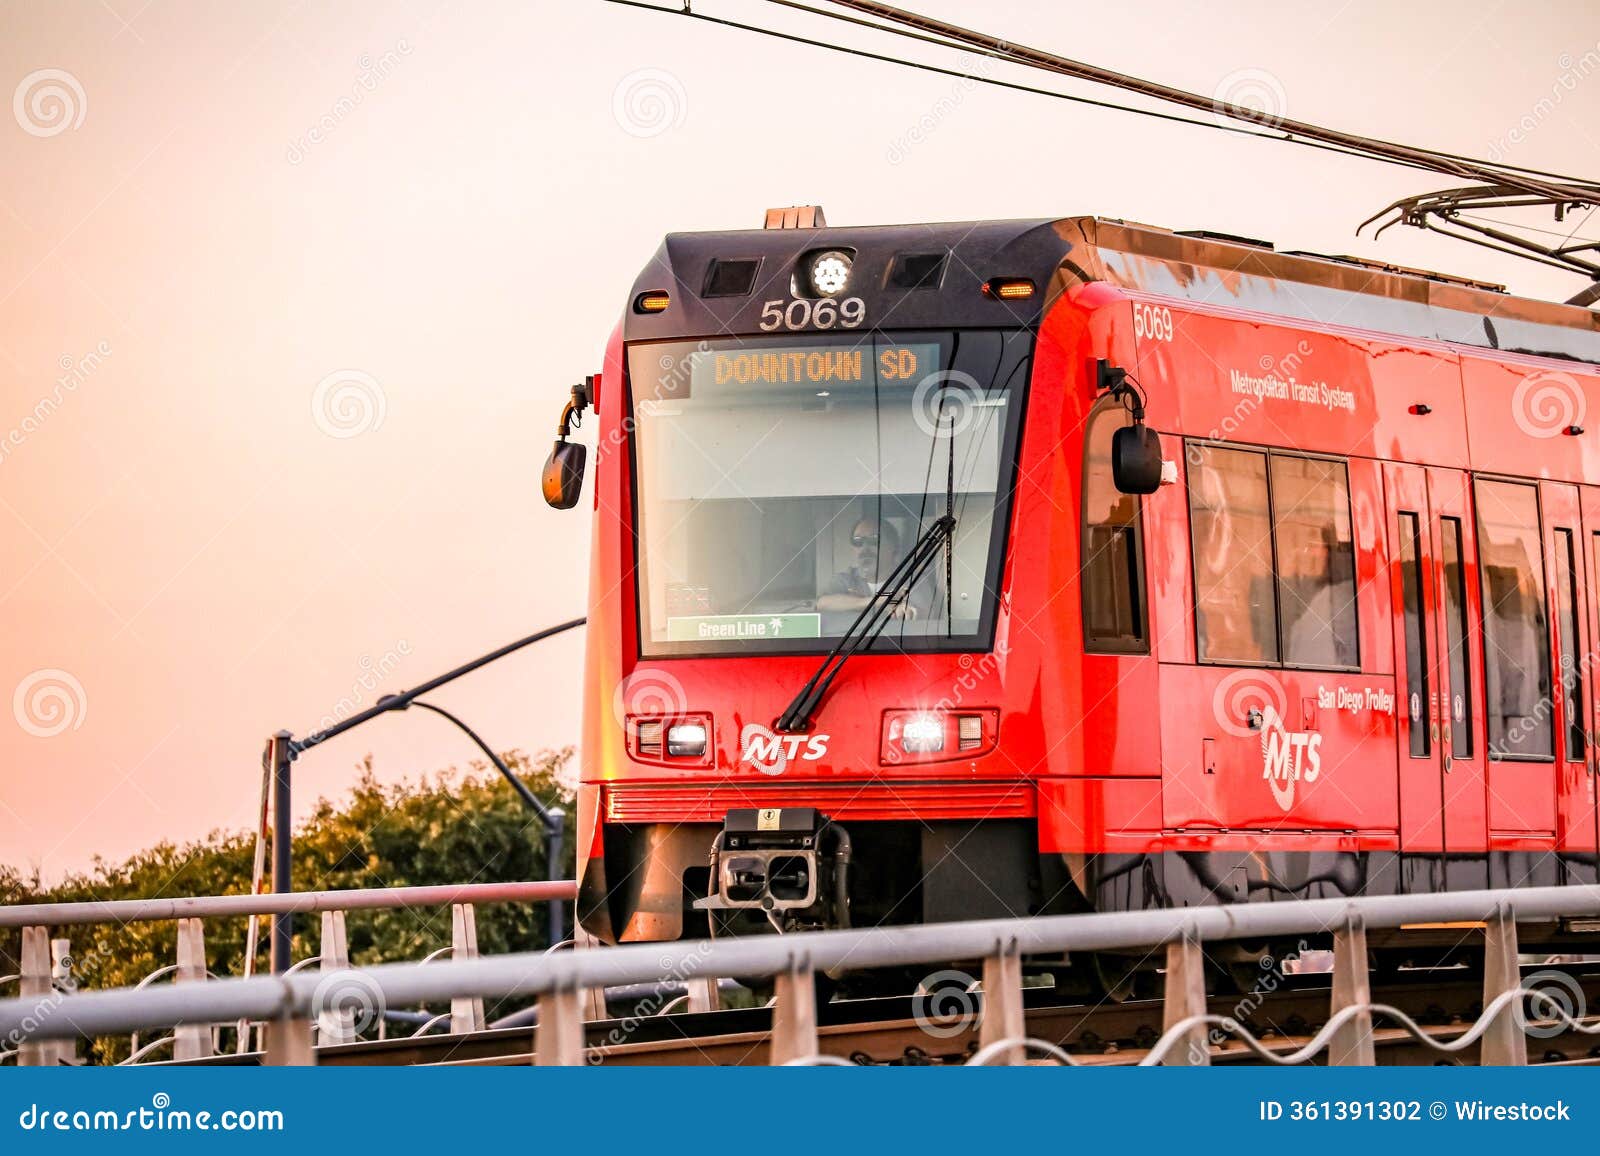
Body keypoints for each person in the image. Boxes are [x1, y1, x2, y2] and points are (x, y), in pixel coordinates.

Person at [817, 517, 934, 621]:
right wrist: (878, 601)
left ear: (893, 546)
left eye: (874, 540)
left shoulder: (913, 579)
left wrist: (906, 611)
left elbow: (927, 615)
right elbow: (822, 604)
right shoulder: (845, 580)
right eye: (858, 541)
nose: (865, 548)